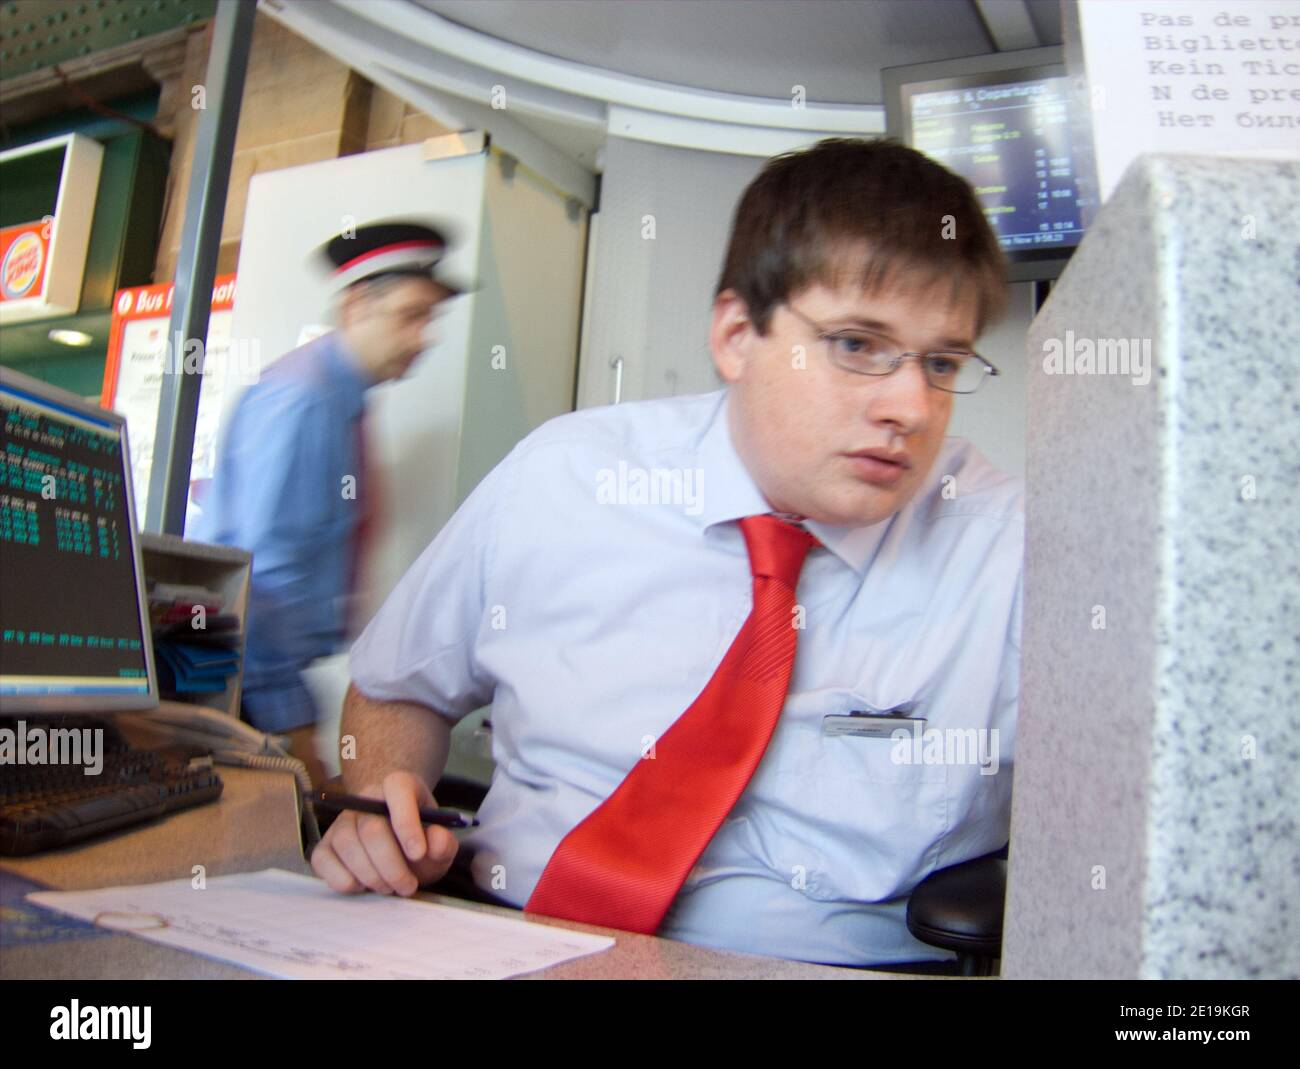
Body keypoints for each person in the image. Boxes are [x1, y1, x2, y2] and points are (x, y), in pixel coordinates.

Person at [310, 138, 1024, 969]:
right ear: (735, 334)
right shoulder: (566, 474)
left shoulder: (1009, 550)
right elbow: (396, 687)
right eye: (859, 345)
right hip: (505, 938)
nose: (910, 404)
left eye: (942, 363)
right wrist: (379, 804)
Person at [194, 221, 462, 786]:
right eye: (413, 316)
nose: (426, 337)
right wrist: (291, 733)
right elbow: (260, 578)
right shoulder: (304, 401)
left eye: (431, 319)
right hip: (249, 689)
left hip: (268, 684)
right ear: (357, 305)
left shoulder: (342, 398)